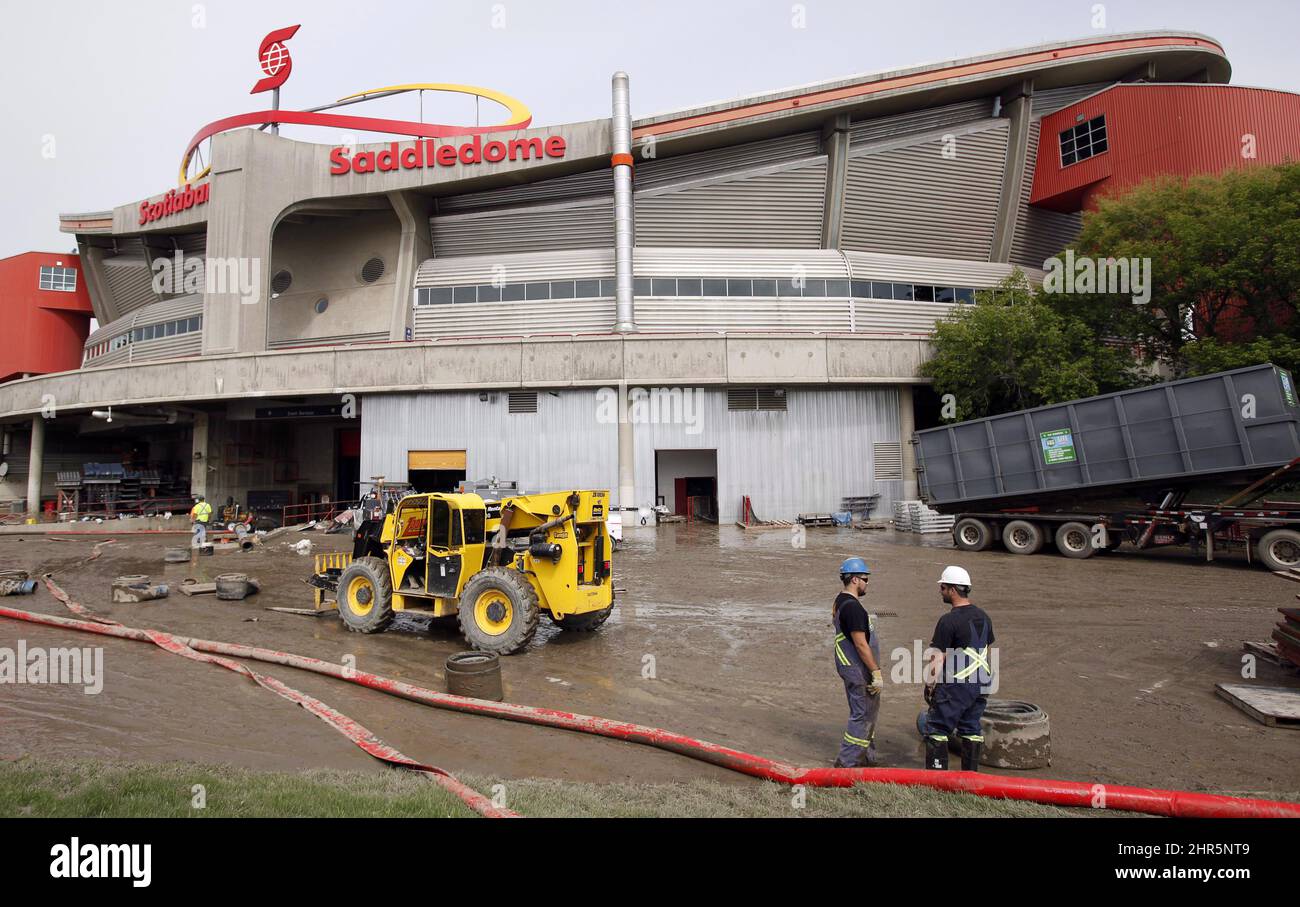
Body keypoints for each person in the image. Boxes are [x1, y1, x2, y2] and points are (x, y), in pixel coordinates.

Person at [921, 566, 995, 771]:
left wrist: (930, 684)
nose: (940, 590)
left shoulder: (948, 621)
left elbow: (937, 657)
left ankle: (937, 779)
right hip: (982, 682)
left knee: (937, 727)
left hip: (956, 685)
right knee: (971, 728)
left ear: (952, 590)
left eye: (943, 587)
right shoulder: (984, 617)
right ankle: (970, 778)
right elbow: (986, 649)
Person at [832, 556, 884, 768]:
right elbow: (861, 645)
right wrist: (876, 672)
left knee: (867, 713)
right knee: (862, 715)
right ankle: (846, 764)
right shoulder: (853, 608)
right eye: (865, 579)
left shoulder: (840, 601)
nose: (867, 583)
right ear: (854, 579)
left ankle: (867, 758)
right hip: (858, 669)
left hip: (849, 666)